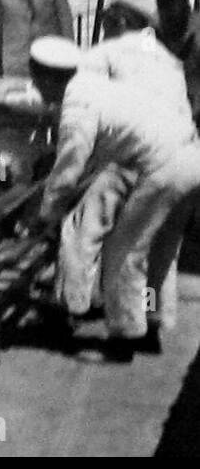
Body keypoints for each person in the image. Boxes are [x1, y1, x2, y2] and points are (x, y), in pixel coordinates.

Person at [31, 37, 200, 362]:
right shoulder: (95, 83)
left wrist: (47, 213)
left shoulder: (77, 102)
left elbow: (70, 165)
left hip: (164, 169)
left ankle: (122, 336)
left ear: (45, 77)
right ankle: (151, 322)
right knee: (160, 253)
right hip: (189, 156)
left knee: (124, 251)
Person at [56, 0, 196, 321]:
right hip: (185, 159)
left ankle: (74, 306)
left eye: (109, 30)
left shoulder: (111, 61)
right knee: (160, 250)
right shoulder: (168, 63)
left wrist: (62, 191)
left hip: (139, 165)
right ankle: (152, 314)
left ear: (120, 28)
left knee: (80, 228)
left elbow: (95, 128)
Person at [155, 0, 200, 130]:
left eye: (172, 10)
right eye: (163, 8)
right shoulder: (151, 31)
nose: (167, 16)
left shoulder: (197, 32)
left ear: (186, 9)